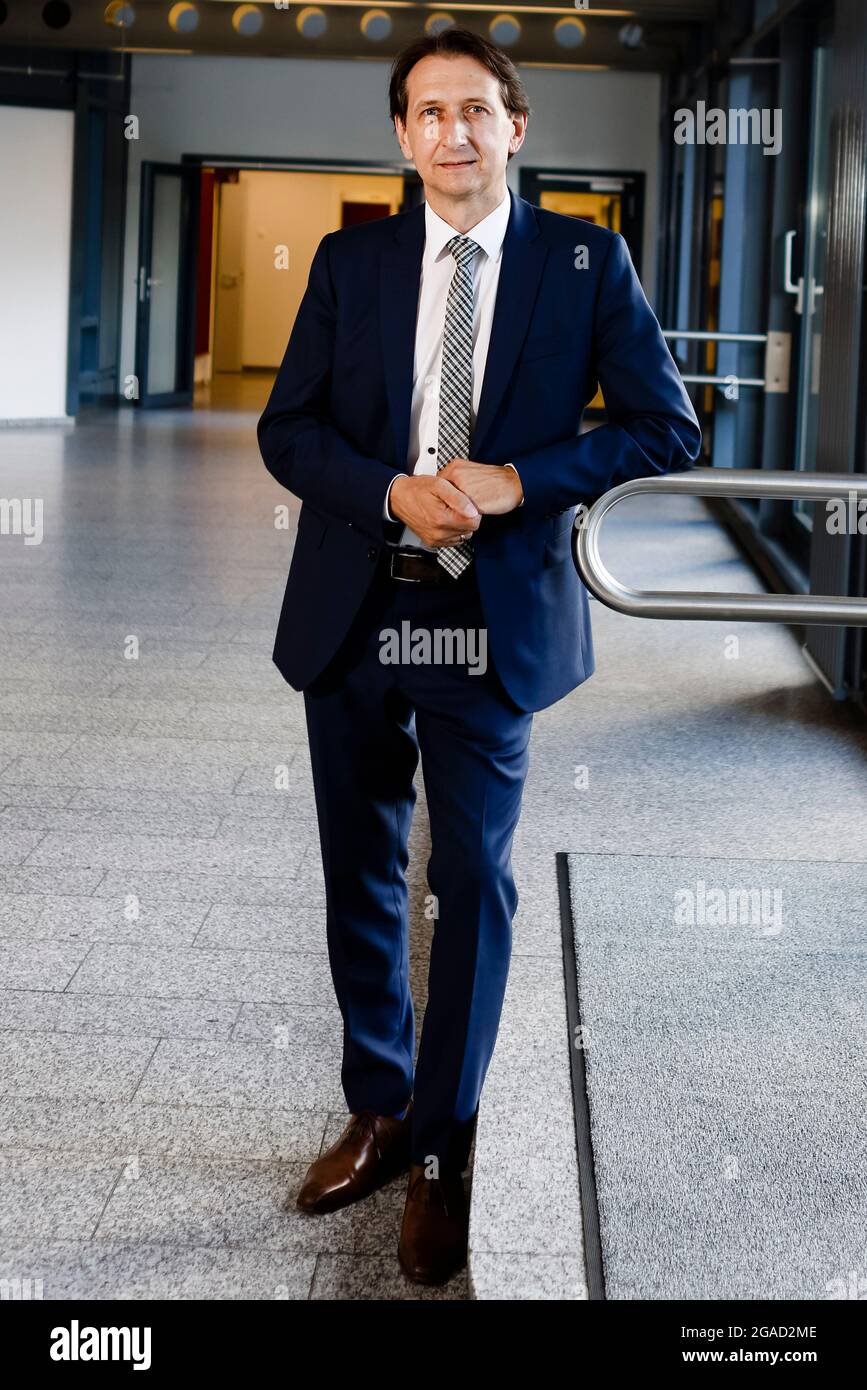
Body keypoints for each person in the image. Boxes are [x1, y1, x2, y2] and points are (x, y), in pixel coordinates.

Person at [257, 25, 702, 1286]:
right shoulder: (351, 263)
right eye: (429, 111)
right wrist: (393, 490)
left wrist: (519, 480)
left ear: (516, 128)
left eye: (477, 110)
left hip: (487, 627)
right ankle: (378, 1103)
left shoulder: (584, 259)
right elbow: (286, 431)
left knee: (476, 883)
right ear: (401, 137)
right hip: (356, 607)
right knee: (360, 868)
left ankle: (446, 1153)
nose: (454, 131)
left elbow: (666, 427)